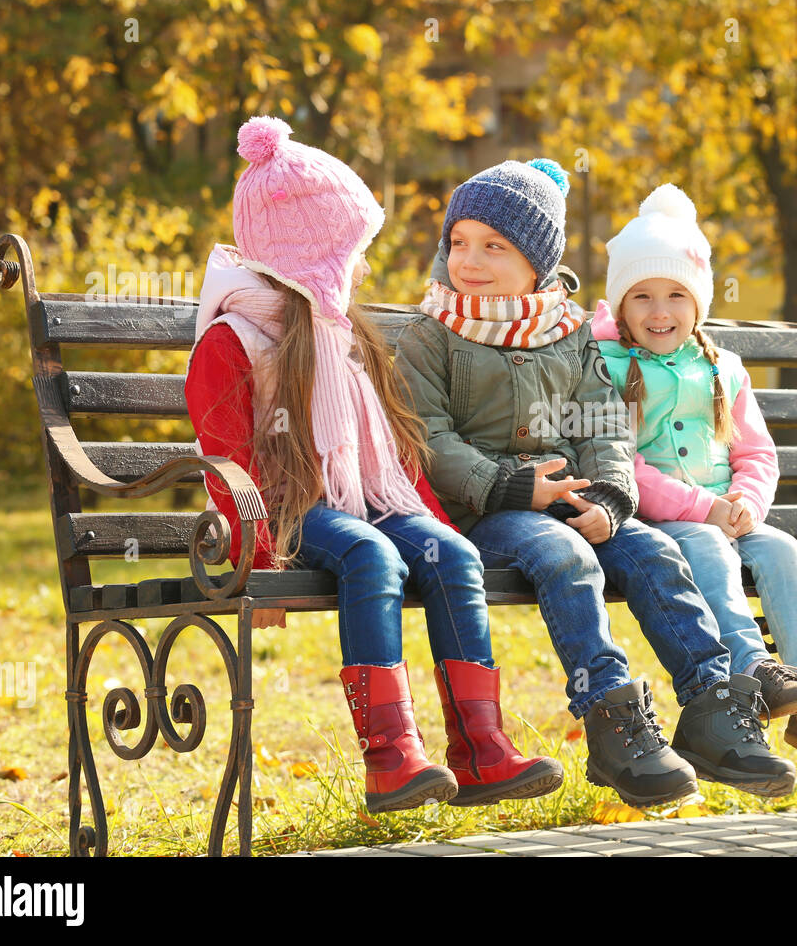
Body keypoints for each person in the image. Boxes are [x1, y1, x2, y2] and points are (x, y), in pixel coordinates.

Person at [184, 117, 563, 813]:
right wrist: (253, 553)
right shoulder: (234, 337)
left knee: (449, 558)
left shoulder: (345, 335)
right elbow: (226, 457)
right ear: (310, 254)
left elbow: (391, 450)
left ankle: (481, 749)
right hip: (294, 507)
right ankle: (391, 756)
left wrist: (442, 525)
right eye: (350, 249)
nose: (360, 267)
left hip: (370, 497)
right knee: (370, 557)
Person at [393, 158, 797, 807]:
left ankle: (712, 706)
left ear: (537, 261)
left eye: (494, 246)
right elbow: (429, 440)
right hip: (485, 509)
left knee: (656, 553)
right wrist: (516, 486)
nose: (470, 259)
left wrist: (611, 497)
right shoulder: (430, 337)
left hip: (574, 498)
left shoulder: (569, 332)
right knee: (566, 556)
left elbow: (607, 428)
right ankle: (612, 719)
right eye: (459, 243)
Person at [590, 183, 797, 773]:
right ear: (620, 306)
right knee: (711, 546)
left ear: (698, 304)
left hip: (730, 514)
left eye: (675, 295)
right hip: (660, 520)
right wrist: (703, 509)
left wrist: (746, 501)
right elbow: (618, 462)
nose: (659, 311)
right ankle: (753, 668)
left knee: (786, 551)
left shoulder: (723, 367)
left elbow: (758, 452)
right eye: (641, 297)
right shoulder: (605, 367)